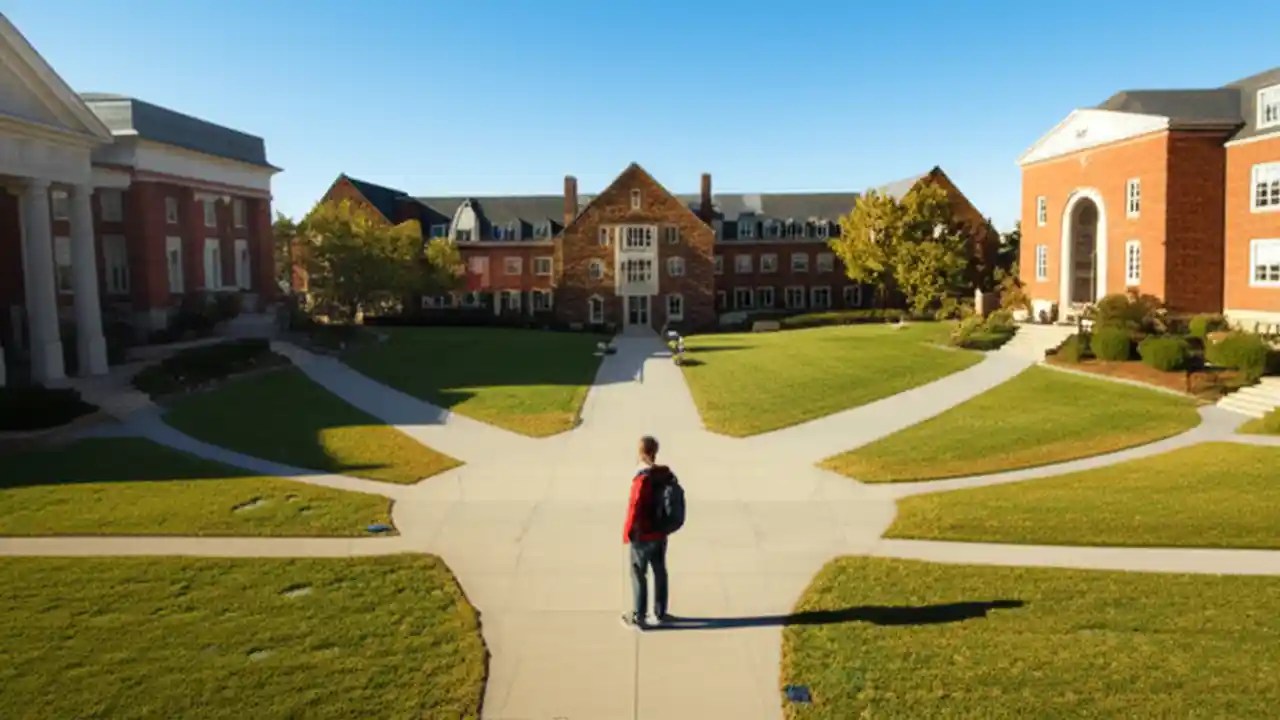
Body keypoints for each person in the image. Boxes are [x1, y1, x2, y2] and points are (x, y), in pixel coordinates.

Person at [621, 435, 672, 630]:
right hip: (660, 533)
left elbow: (634, 507)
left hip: (642, 535)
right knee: (659, 570)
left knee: (638, 573)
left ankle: (639, 615)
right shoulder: (664, 474)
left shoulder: (641, 478)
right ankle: (660, 612)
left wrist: (627, 533)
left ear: (641, 452)